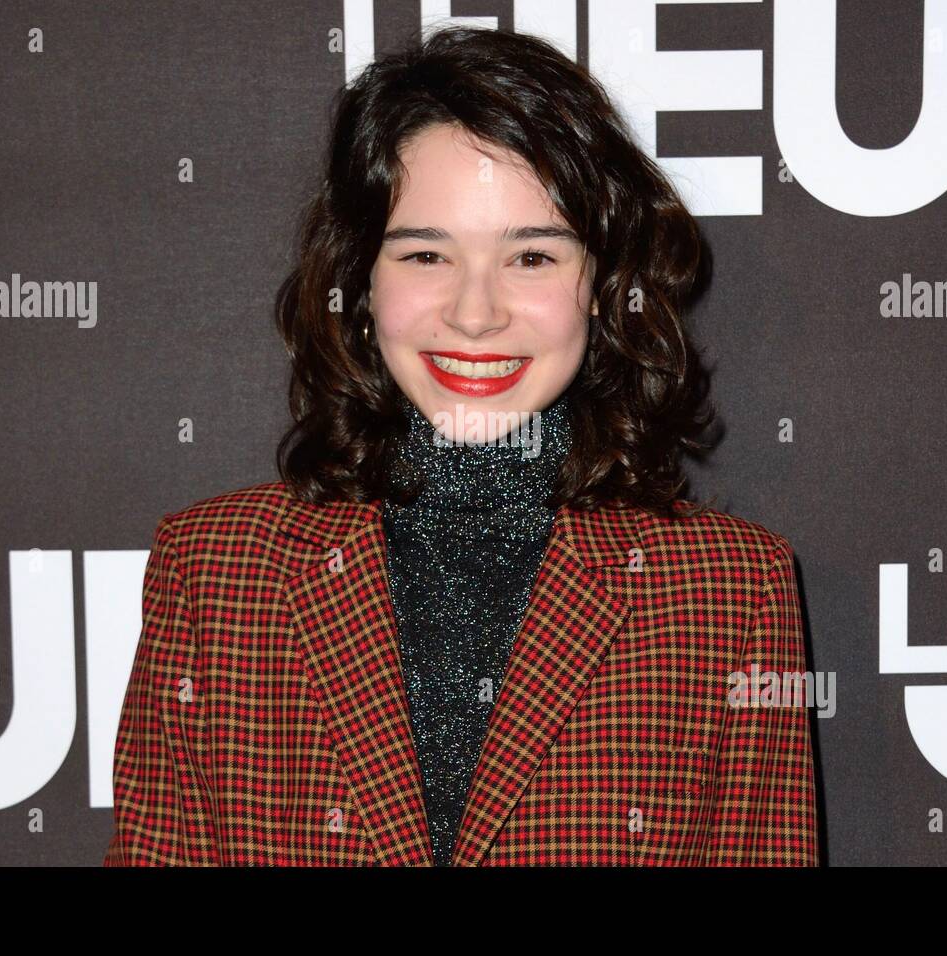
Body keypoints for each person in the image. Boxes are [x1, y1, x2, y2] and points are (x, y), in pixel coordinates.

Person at [104, 24, 818, 866]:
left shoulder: (728, 594)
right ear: (362, 281)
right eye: (427, 254)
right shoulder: (214, 575)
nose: (475, 314)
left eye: (532, 257)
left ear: (601, 288)